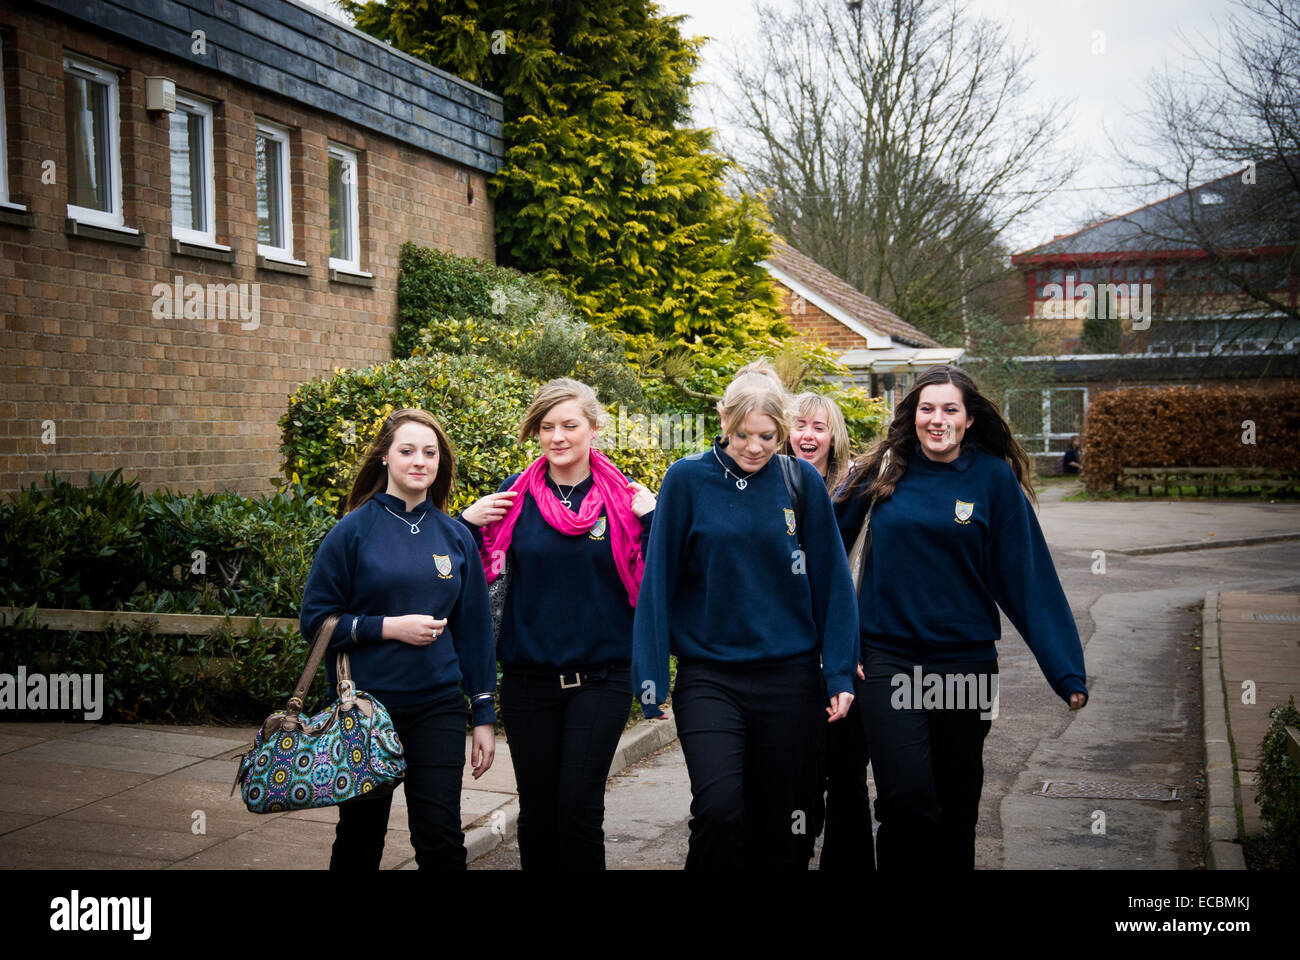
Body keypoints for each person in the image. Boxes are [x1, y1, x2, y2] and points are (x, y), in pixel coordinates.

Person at [834, 365, 1088, 870]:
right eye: (927, 408)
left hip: (965, 666)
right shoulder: (886, 468)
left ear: (969, 419)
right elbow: (822, 543)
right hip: (889, 661)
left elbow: (1028, 577)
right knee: (905, 798)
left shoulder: (992, 479)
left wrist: (1066, 669)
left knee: (957, 802)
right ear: (913, 415)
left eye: (950, 409)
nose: (937, 419)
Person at [633, 368, 859, 870]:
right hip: (710, 678)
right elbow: (658, 582)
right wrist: (650, 675)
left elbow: (833, 585)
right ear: (722, 421)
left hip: (791, 680)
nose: (754, 448)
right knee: (718, 811)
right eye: (742, 436)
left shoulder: (800, 483)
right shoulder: (687, 479)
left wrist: (840, 669)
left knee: (787, 821)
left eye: (767, 436)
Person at [459, 378, 656, 870]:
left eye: (570, 425)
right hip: (528, 682)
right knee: (540, 813)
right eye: (547, 427)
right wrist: (465, 526)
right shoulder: (511, 498)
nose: (558, 436)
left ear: (593, 428)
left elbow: (662, 582)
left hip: (604, 678)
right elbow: (461, 577)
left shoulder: (626, 500)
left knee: (579, 809)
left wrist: (654, 521)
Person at [299, 408, 497, 871]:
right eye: (407, 451)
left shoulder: (455, 536)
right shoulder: (351, 531)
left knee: (441, 838)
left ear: (439, 463)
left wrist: (483, 712)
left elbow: (475, 631)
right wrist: (388, 626)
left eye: (430, 453)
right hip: (365, 708)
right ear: (385, 458)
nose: (419, 461)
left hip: (439, 706)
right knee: (360, 839)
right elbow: (315, 621)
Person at [787, 391, 873, 871]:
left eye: (819, 427)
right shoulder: (770, 484)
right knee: (796, 779)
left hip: (847, 650)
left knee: (846, 776)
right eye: (800, 425)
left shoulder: (857, 491)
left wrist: (850, 647)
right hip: (792, 653)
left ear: (834, 435)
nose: (808, 435)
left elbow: (859, 575)